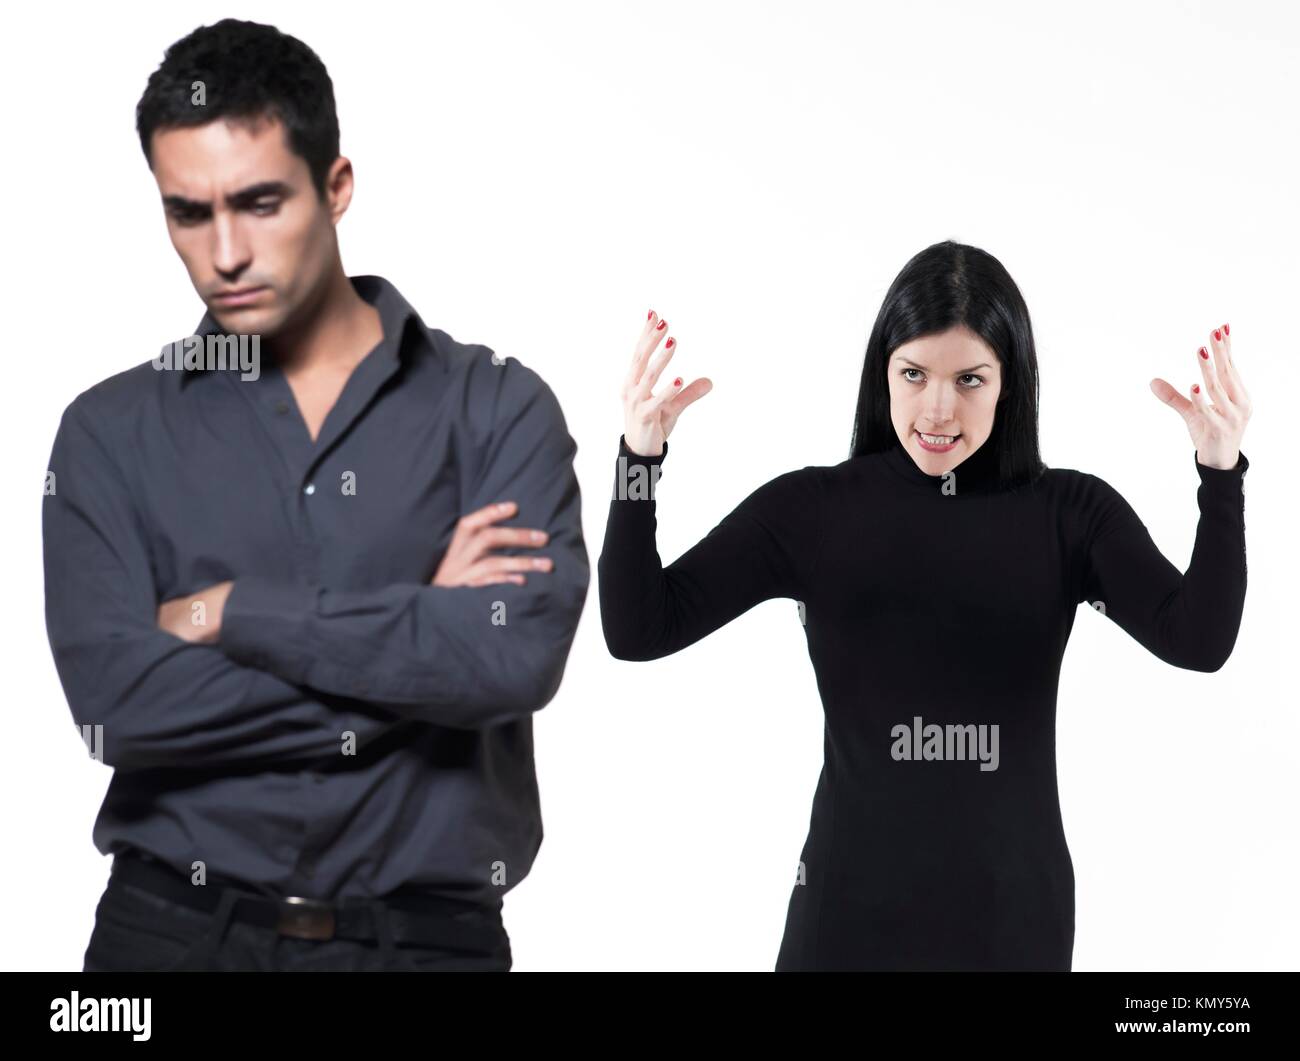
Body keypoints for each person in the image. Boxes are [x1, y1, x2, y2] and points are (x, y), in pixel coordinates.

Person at [43, 19, 588, 972]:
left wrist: (231, 612)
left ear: (336, 188)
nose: (224, 253)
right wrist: (422, 634)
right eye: (187, 212)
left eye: (260, 203)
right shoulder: (108, 433)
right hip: (164, 945)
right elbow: (117, 705)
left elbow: (510, 655)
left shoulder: (496, 409)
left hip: (426, 949)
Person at [598, 240, 1250, 970]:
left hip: (1012, 925)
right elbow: (638, 628)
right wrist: (638, 459)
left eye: (970, 379)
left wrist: (1219, 473)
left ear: (1010, 383)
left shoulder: (1071, 516)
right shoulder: (816, 512)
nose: (938, 409)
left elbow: (1198, 640)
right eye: (914, 374)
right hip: (844, 924)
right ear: (884, 373)